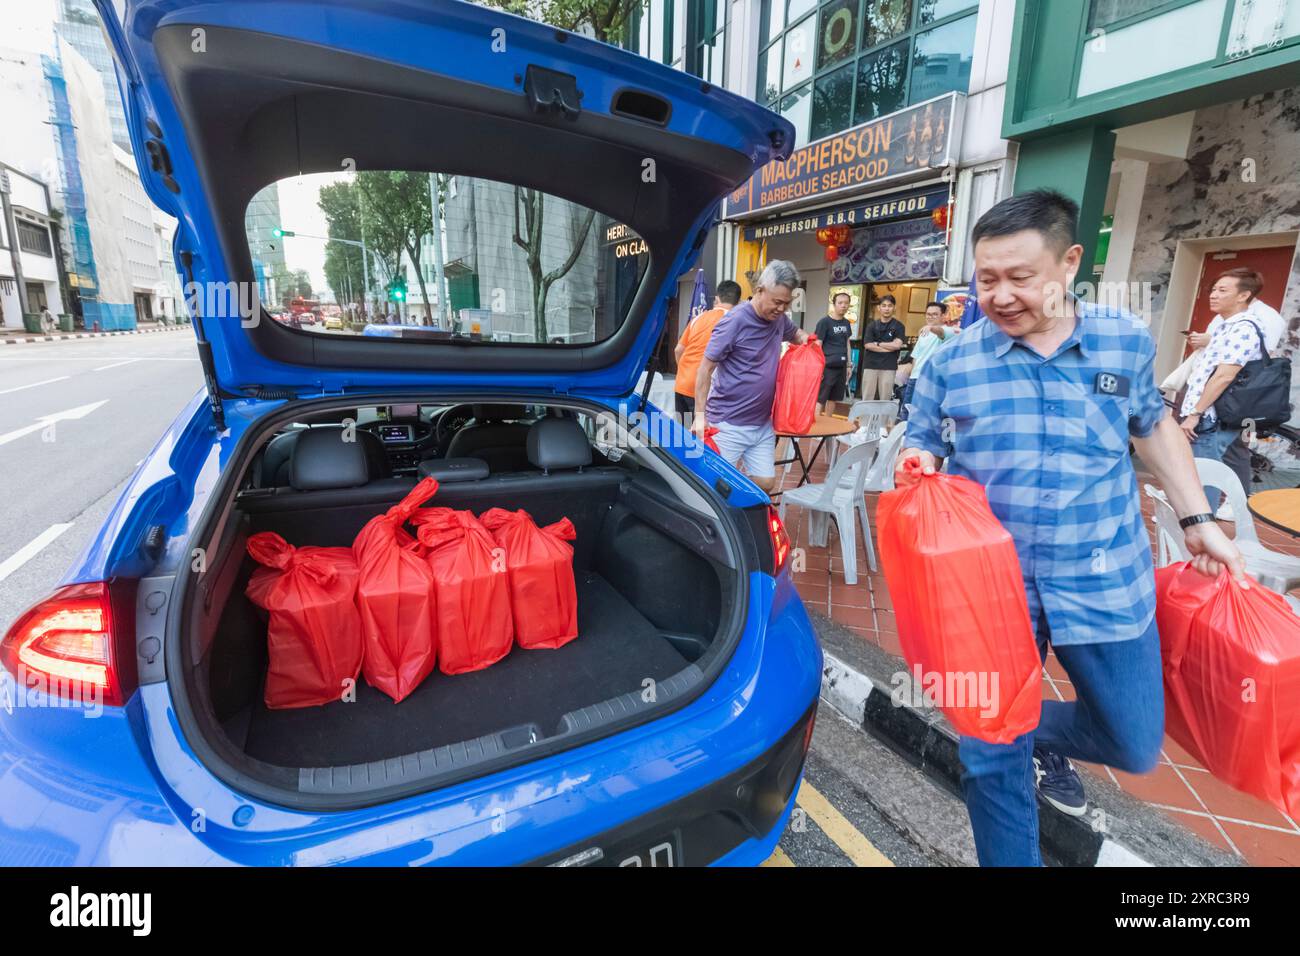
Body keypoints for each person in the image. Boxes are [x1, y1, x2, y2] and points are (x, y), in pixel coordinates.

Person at [899, 189, 1245, 866]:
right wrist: (918, 461)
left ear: (1069, 264)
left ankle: (1018, 732)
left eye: (1019, 277)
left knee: (1134, 741)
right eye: (986, 278)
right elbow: (923, 442)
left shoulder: (1122, 340)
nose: (999, 295)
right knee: (989, 761)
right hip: (993, 595)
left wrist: (1196, 516)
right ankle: (997, 745)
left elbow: (1153, 427)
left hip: (1105, 577)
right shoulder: (952, 361)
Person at [692, 260, 810, 496]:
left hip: (761, 424)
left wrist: (806, 339)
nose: (782, 309)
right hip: (727, 424)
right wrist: (699, 416)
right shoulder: (734, 321)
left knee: (766, 483)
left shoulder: (779, 319)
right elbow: (705, 369)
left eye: (786, 304)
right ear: (759, 291)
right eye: (777, 302)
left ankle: (738, 507)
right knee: (712, 487)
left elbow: (794, 333)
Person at [1184, 268, 1280, 520]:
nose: (1213, 295)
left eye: (1222, 290)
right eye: (1213, 289)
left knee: (1204, 475)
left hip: (1213, 414)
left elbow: (1225, 375)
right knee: (1204, 471)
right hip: (1212, 412)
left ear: (1243, 295)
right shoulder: (1227, 326)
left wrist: (1196, 413)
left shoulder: (1243, 328)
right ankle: (1197, 522)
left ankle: (1200, 525)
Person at [674, 280, 741, 417]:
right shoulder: (734, 321)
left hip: (682, 384)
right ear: (738, 302)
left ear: (717, 299)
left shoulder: (698, 318)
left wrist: (685, 372)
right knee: (702, 435)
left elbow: (678, 350)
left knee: (682, 433)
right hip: (705, 390)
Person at [899, 301, 960, 420]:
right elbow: (916, 357)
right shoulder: (923, 333)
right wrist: (910, 376)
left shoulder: (949, 331)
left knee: (926, 414)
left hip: (931, 379)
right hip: (915, 379)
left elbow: (941, 333)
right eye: (928, 314)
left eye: (934, 314)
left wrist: (931, 328)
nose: (930, 317)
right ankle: (903, 437)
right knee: (907, 410)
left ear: (943, 316)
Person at [860, 294, 906, 404]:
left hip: (888, 366)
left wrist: (879, 343)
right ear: (879, 308)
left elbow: (897, 345)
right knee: (867, 397)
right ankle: (864, 422)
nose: (886, 308)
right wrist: (889, 348)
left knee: (885, 399)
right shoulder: (872, 326)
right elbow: (868, 345)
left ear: (894, 308)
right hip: (870, 365)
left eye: (890, 306)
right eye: (884, 305)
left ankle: (884, 422)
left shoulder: (899, 326)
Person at [814, 292, 854, 414]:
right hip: (827, 366)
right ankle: (816, 426)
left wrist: (848, 364)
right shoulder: (824, 322)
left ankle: (828, 425)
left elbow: (847, 343)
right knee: (821, 397)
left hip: (841, 366)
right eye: (840, 303)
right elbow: (817, 345)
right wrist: (818, 367)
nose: (843, 306)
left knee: (834, 398)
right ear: (834, 304)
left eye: (846, 303)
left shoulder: (846, 323)